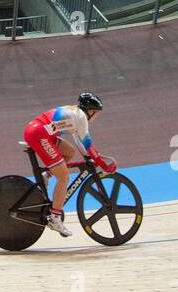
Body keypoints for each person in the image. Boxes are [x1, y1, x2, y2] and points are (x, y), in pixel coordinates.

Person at [22, 93, 116, 237]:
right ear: (90, 111)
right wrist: (104, 166)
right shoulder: (81, 117)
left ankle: (46, 175)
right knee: (64, 176)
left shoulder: (75, 113)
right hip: (39, 134)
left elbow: (79, 142)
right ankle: (55, 218)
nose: (96, 117)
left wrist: (88, 158)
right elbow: (88, 145)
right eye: (96, 113)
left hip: (39, 131)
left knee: (69, 152)